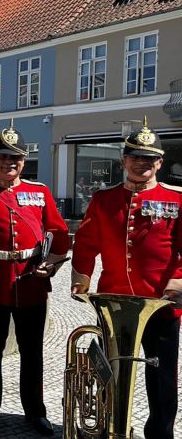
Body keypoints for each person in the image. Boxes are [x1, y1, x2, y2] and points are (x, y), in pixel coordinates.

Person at [0, 120, 69, 436]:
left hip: (31, 284)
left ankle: (35, 412)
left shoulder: (39, 192)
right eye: (2, 157)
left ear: (24, 161)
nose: (9, 163)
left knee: (32, 351)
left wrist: (52, 263)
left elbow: (60, 234)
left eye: (15, 158)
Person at [71, 118, 181, 439]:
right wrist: (82, 277)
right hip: (115, 304)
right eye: (135, 157)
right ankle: (112, 428)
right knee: (112, 374)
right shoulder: (104, 200)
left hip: (161, 306)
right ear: (124, 160)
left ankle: (160, 433)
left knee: (161, 380)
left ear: (159, 162)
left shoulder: (177, 199)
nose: (141, 164)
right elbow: (87, 243)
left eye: (149, 158)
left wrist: (178, 281)